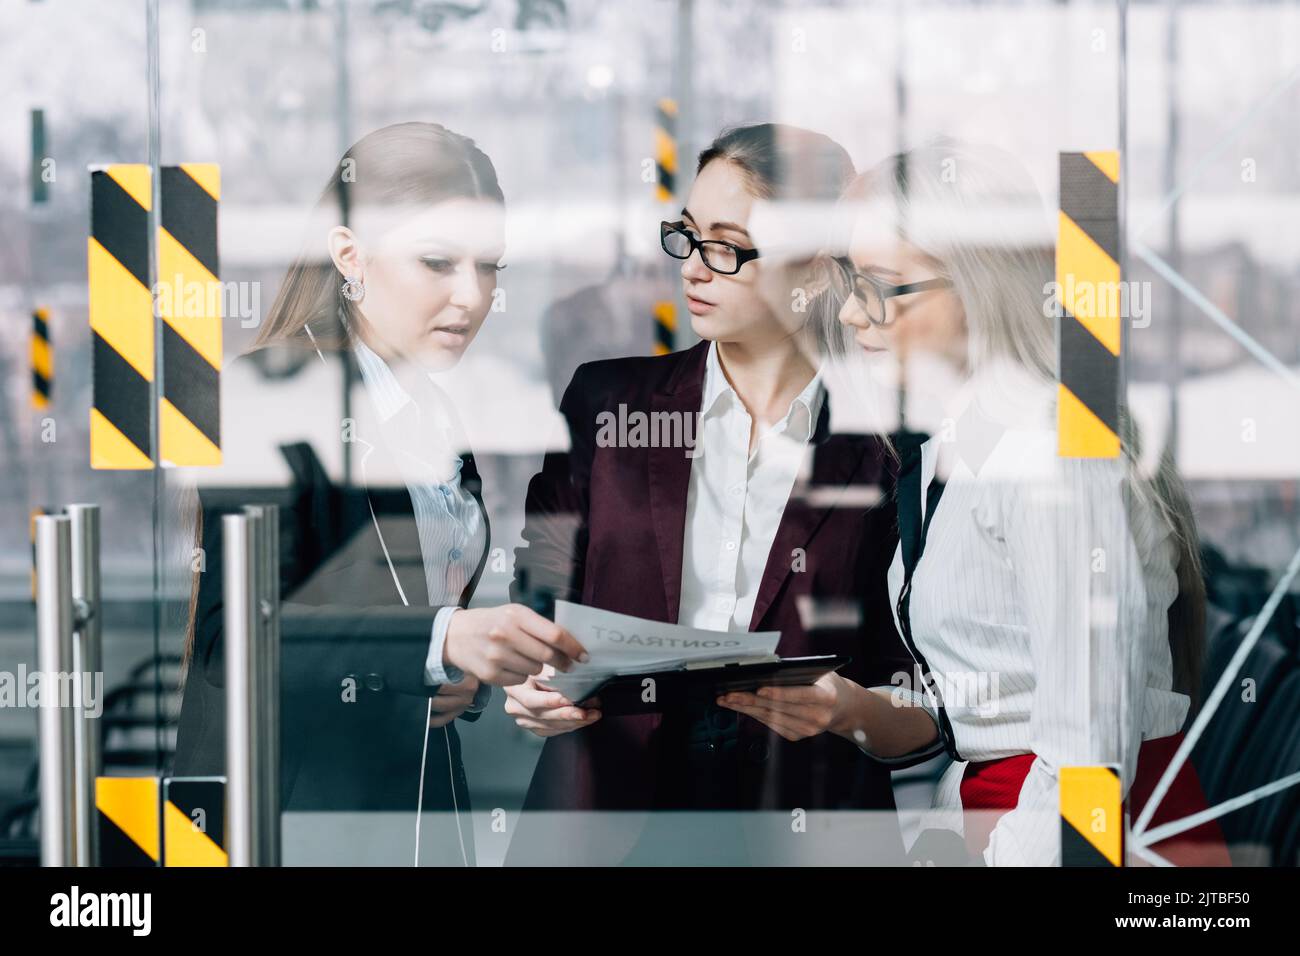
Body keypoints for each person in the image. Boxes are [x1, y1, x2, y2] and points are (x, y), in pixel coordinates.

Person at [503, 124, 931, 864]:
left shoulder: (892, 448)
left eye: (728, 245)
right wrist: (536, 682)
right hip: (609, 818)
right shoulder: (610, 403)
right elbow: (544, 591)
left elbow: (927, 693)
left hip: (811, 823)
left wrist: (853, 711)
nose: (695, 269)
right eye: (689, 237)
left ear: (820, 269)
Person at [172, 122, 586, 864]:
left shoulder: (432, 411)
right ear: (350, 256)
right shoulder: (270, 396)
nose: (472, 295)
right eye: (437, 261)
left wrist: (459, 672)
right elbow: (232, 642)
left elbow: (414, 617)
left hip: (420, 811)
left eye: (488, 266)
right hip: (302, 818)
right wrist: (441, 638)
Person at [809, 140, 1230, 865]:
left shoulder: (1050, 455)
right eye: (849, 279)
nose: (850, 313)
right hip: (1010, 820)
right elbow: (999, 692)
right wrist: (855, 711)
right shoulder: (956, 445)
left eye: (880, 285)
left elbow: (1085, 755)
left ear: (979, 284)